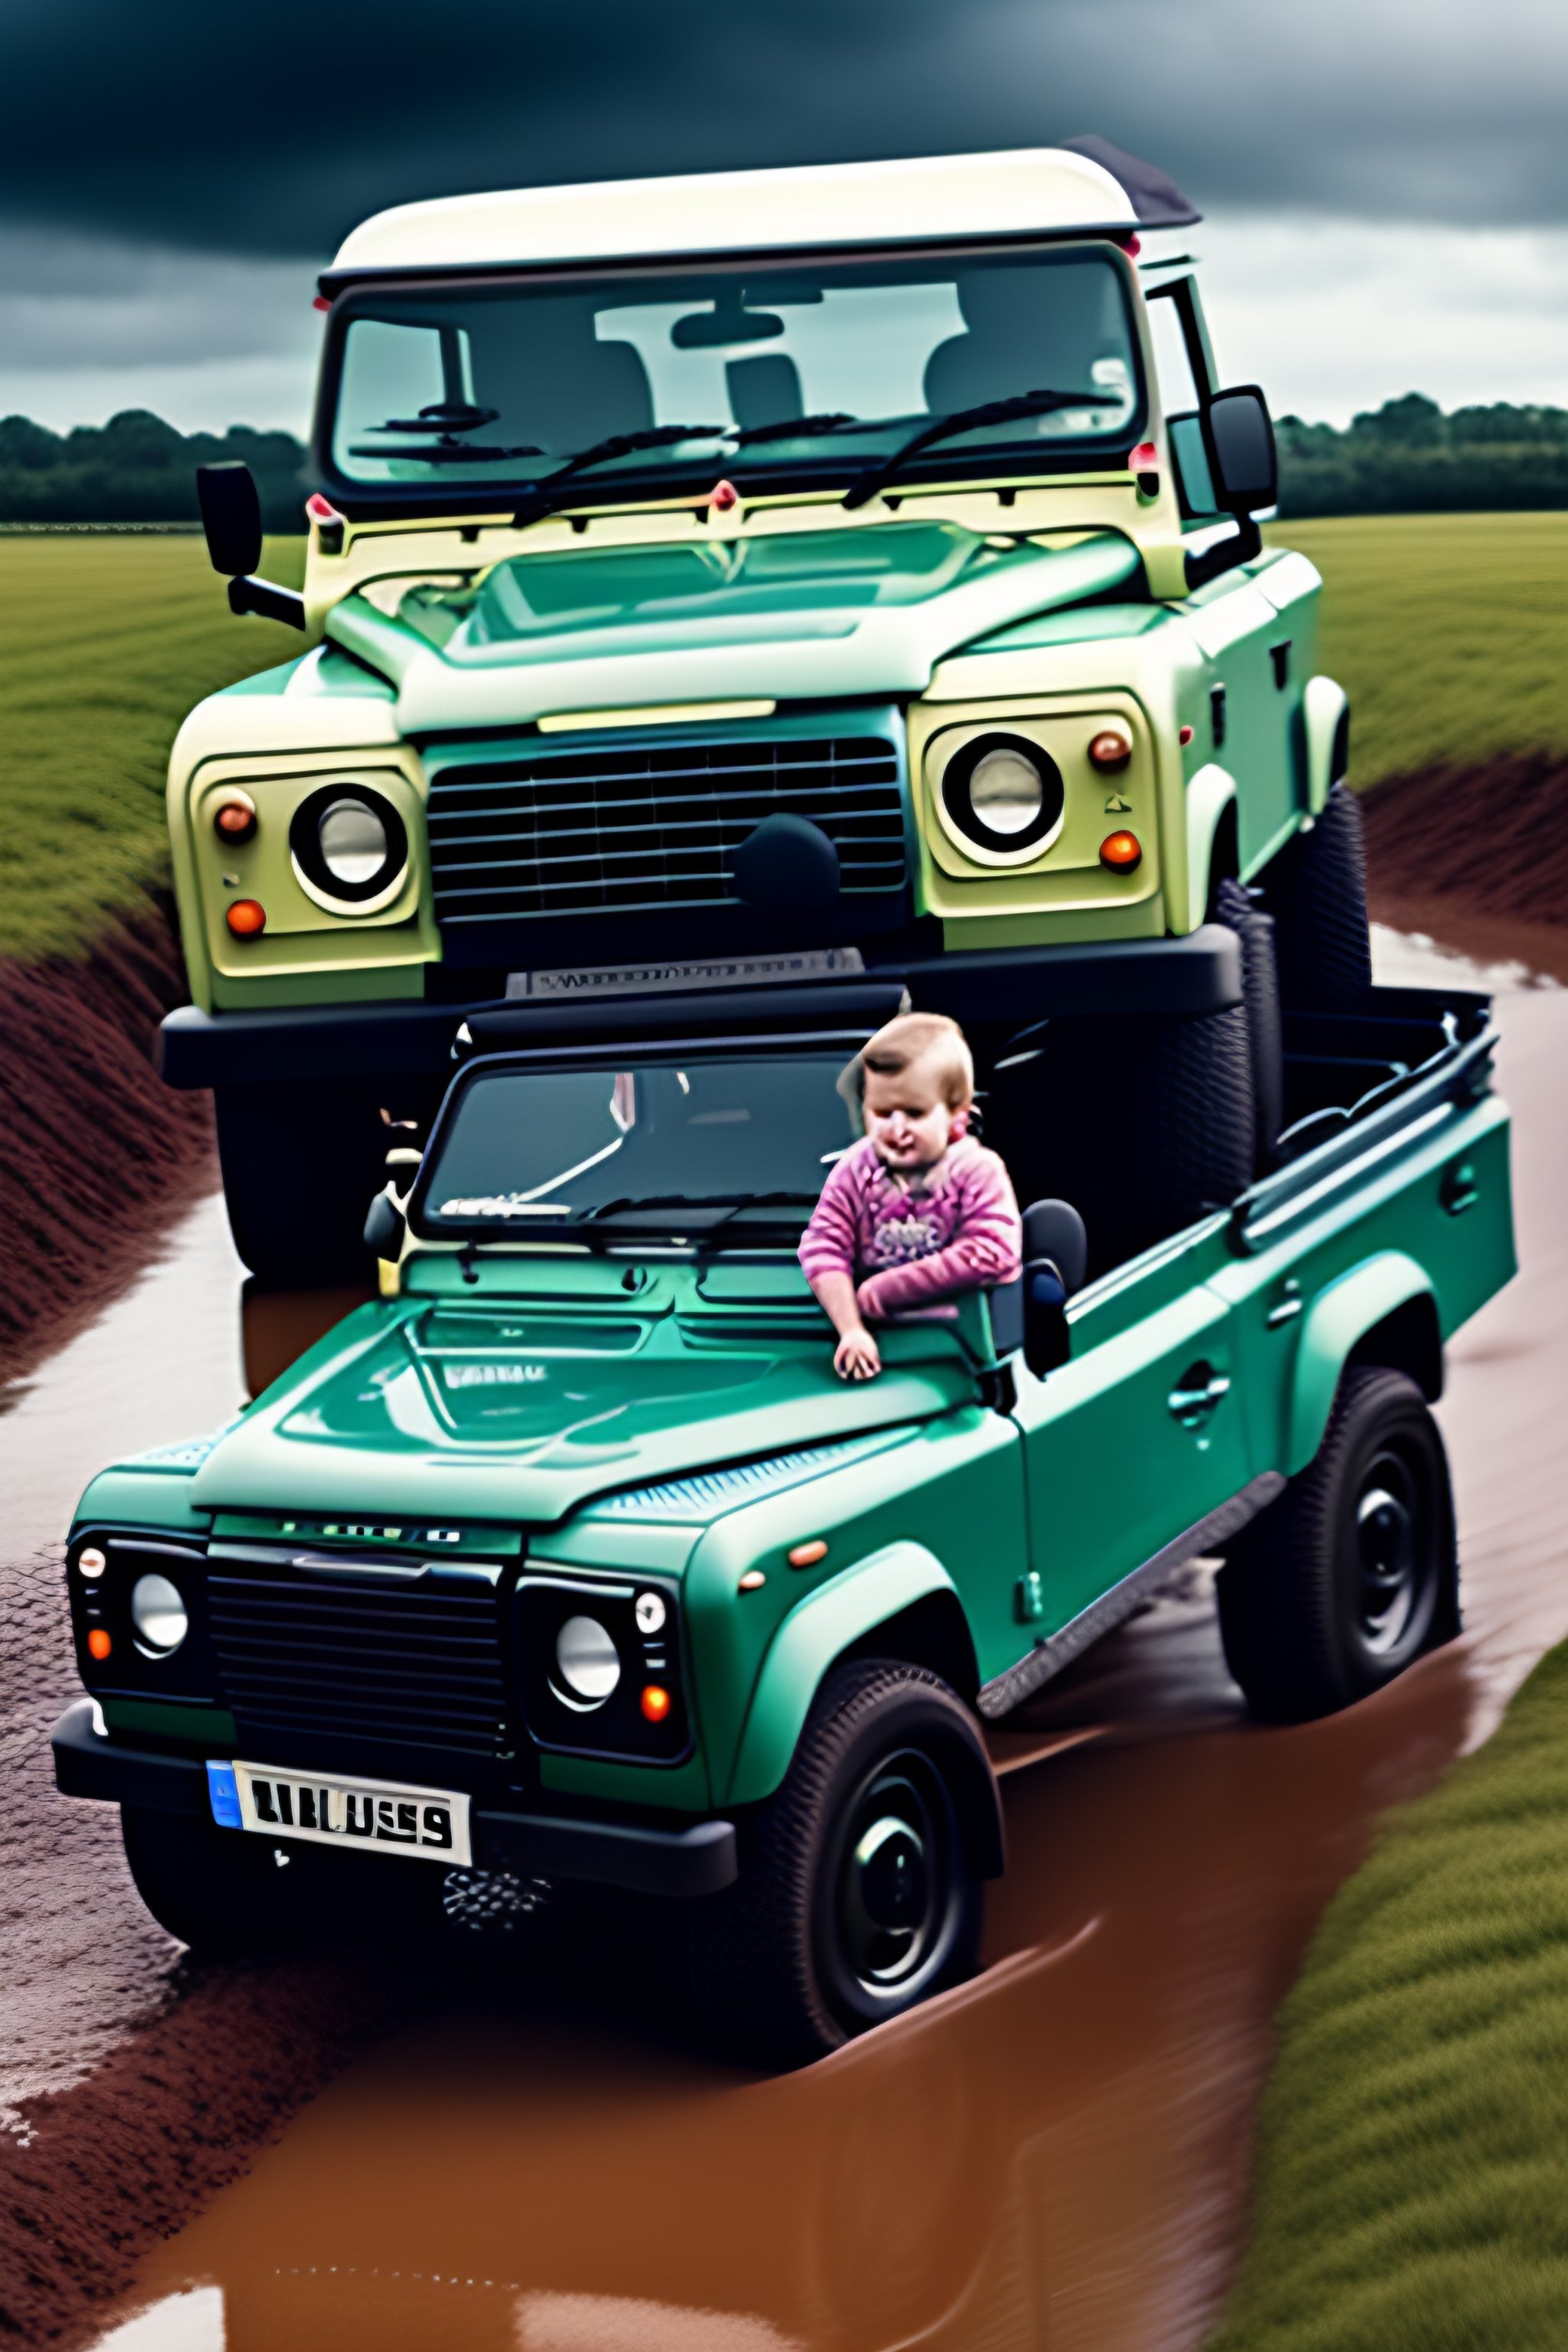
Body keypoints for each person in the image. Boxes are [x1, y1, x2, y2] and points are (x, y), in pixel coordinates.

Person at [799, 1011, 1022, 1380]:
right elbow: (823, 1246)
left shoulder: (977, 1170)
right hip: (882, 1345)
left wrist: (886, 1291)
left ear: (957, 1117)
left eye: (915, 1113)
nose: (896, 1129)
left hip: (970, 1348)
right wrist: (851, 1329)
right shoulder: (855, 1170)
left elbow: (992, 1250)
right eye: (882, 1112)